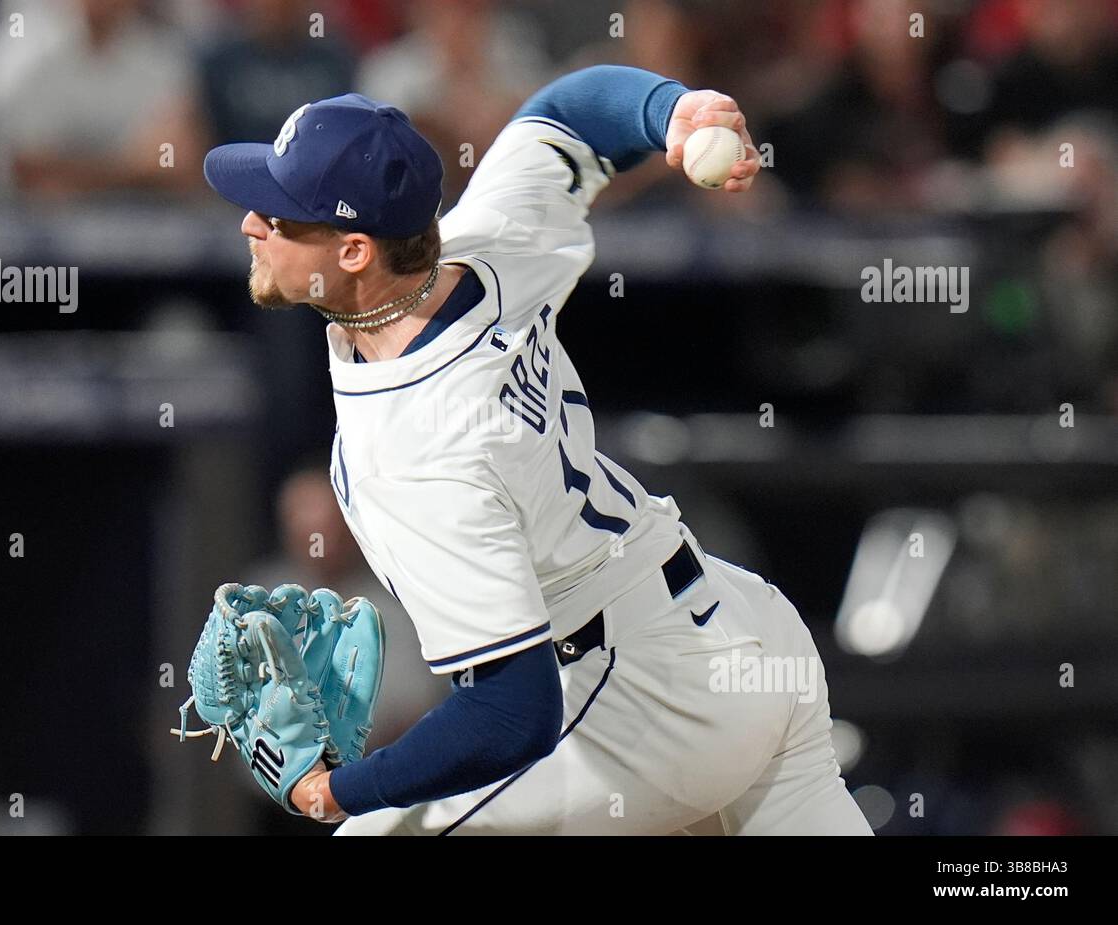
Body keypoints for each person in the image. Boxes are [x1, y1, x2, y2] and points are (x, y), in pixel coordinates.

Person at [202, 64, 872, 834]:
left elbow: (511, 712)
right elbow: (569, 114)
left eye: (282, 218)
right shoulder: (483, 239)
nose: (251, 223)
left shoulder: (420, 445)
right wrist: (671, 111)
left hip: (642, 699)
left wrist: (338, 791)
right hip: (742, 625)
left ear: (355, 252)